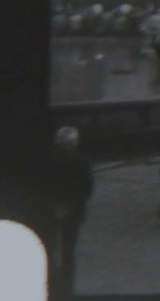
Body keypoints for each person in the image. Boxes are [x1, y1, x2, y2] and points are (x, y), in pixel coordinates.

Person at [48, 127, 94, 298]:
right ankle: (67, 288)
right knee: (69, 251)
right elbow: (87, 189)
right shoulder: (82, 162)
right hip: (73, 212)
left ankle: (51, 282)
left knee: (49, 246)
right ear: (74, 144)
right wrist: (70, 206)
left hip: (51, 209)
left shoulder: (48, 161)